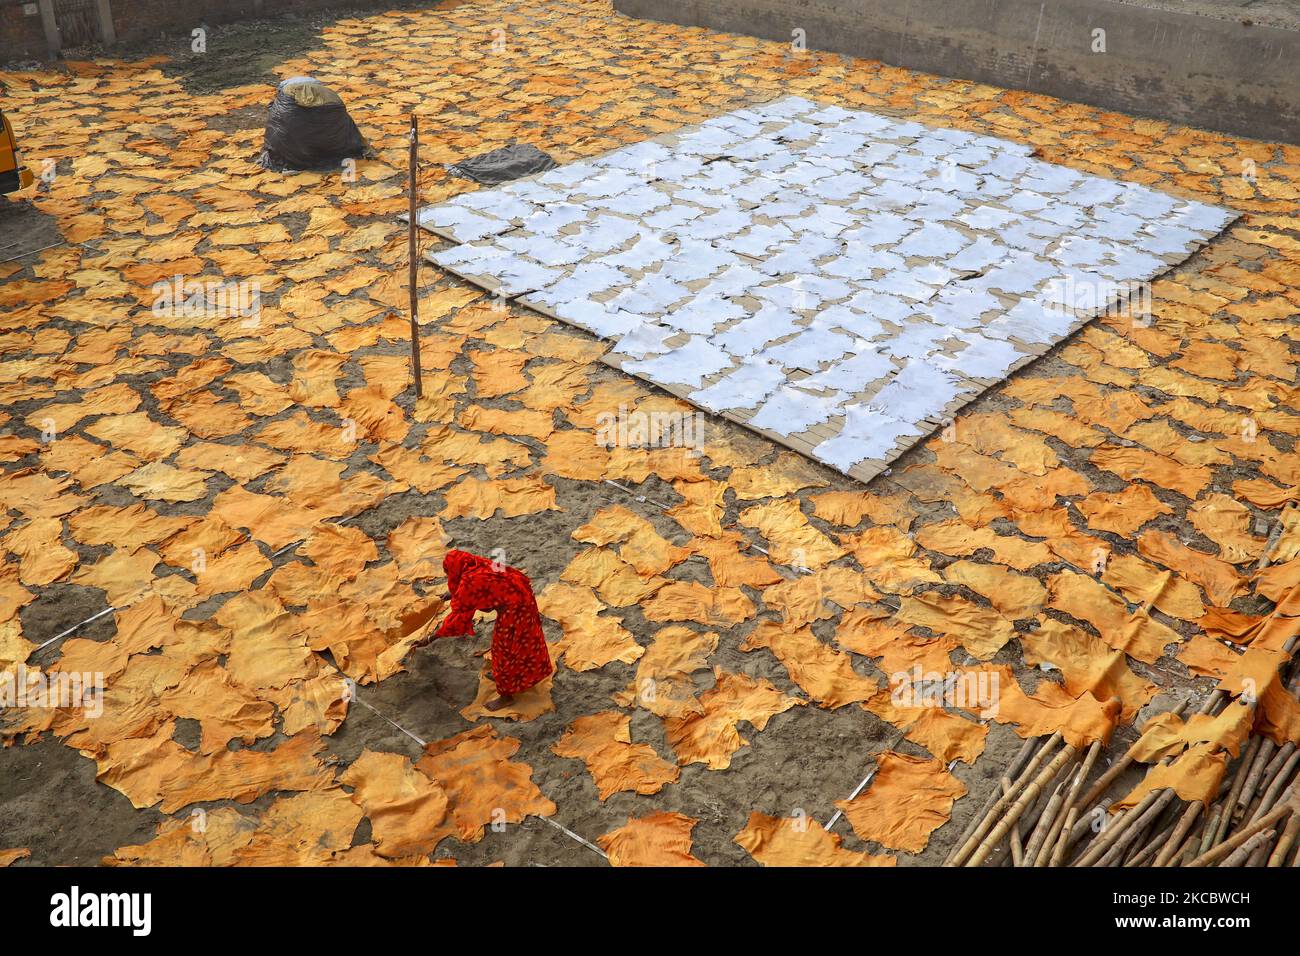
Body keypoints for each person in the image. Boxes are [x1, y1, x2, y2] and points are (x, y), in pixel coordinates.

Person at [432, 550, 552, 711]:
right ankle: (504, 677)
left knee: (506, 651)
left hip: (515, 612)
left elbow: (457, 619)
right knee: (515, 644)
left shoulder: (470, 582)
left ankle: (506, 696)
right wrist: (452, 594)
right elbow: (475, 584)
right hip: (523, 596)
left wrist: (432, 637)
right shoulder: (476, 563)